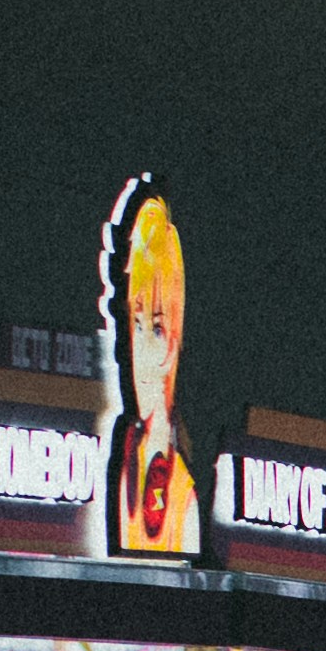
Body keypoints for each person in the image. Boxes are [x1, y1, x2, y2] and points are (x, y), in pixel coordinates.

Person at [100, 178, 205, 561]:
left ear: (173, 341)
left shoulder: (183, 499)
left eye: (157, 328)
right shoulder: (126, 454)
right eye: (136, 321)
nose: (141, 347)